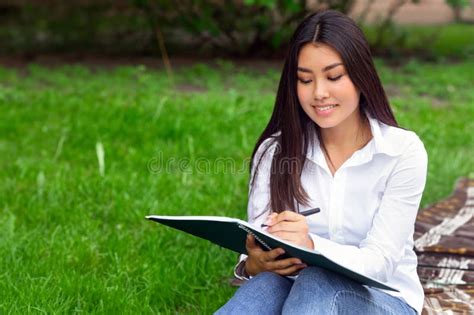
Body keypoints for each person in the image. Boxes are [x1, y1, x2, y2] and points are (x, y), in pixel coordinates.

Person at [215, 9, 427, 315]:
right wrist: (253, 265)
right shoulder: (275, 152)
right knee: (266, 285)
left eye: (334, 76)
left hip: (383, 300)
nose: (319, 93)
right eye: (305, 79)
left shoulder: (401, 152)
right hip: (291, 289)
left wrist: (310, 244)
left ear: (360, 75)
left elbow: (380, 265)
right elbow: (258, 246)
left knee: (317, 281)